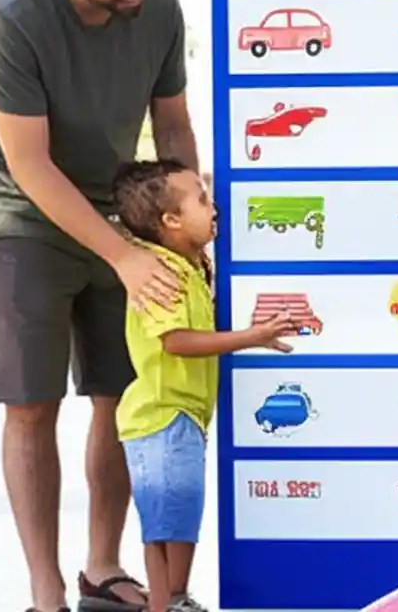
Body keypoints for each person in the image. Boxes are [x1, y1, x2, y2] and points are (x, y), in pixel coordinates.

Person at [0, 0, 199, 609]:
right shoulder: (15, 18)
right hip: (23, 218)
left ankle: (103, 566)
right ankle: (45, 587)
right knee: (31, 405)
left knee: (123, 394)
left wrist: (177, 234)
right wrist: (124, 257)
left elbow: (173, 128)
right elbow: (31, 167)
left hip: (116, 208)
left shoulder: (159, 6)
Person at [111, 160, 294, 612]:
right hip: (161, 417)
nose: (216, 207)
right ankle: (165, 602)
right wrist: (252, 337)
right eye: (202, 199)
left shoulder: (191, 264)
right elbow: (176, 341)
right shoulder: (162, 273)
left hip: (183, 417)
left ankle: (175, 597)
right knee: (163, 523)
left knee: (180, 518)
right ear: (170, 221)